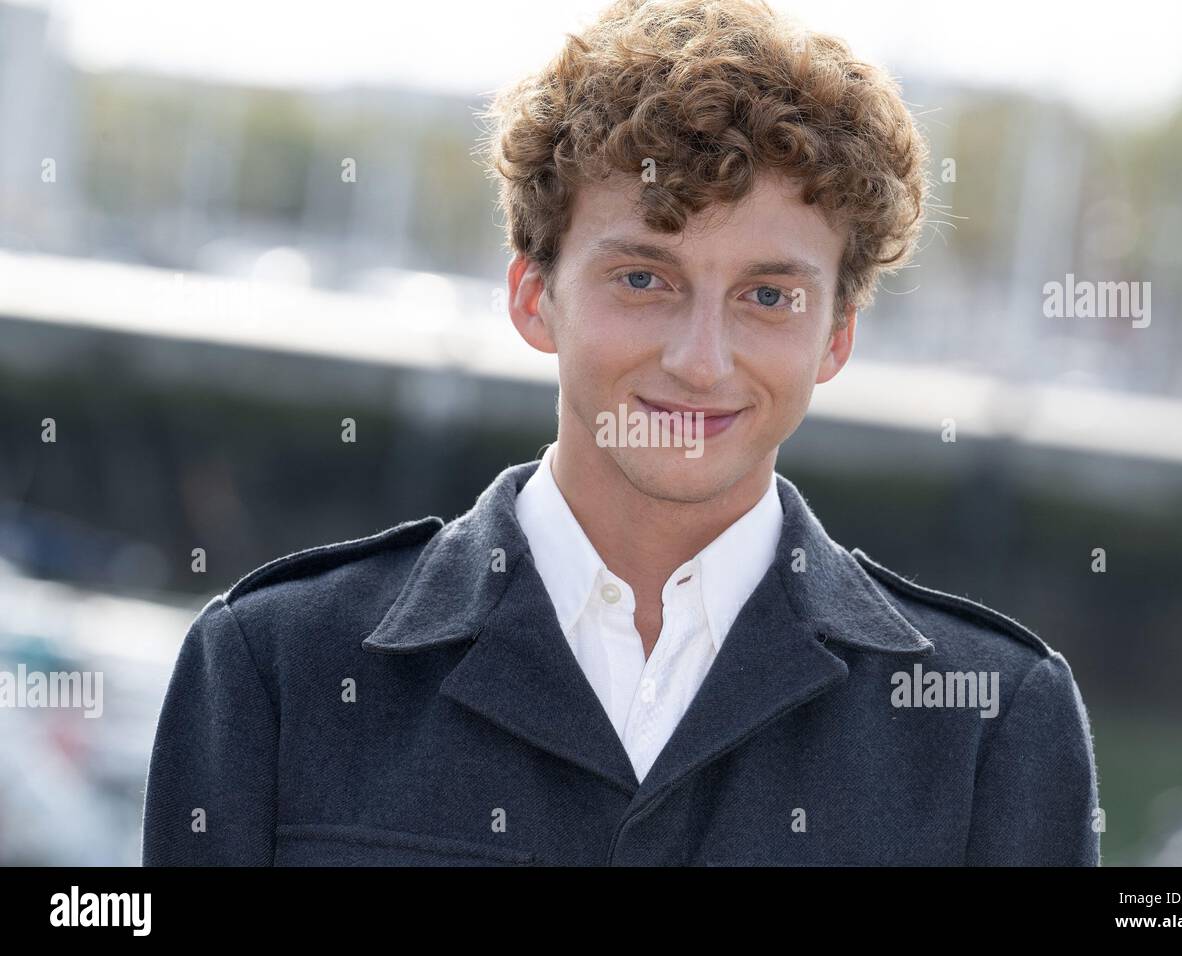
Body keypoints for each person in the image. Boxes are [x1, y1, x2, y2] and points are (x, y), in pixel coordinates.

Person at [142, 0, 1100, 866]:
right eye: (645, 278)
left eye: (769, 296)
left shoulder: (993, 722)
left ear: (836, 337)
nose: (701, 358)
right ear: (534, 297)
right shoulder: (273, 668)